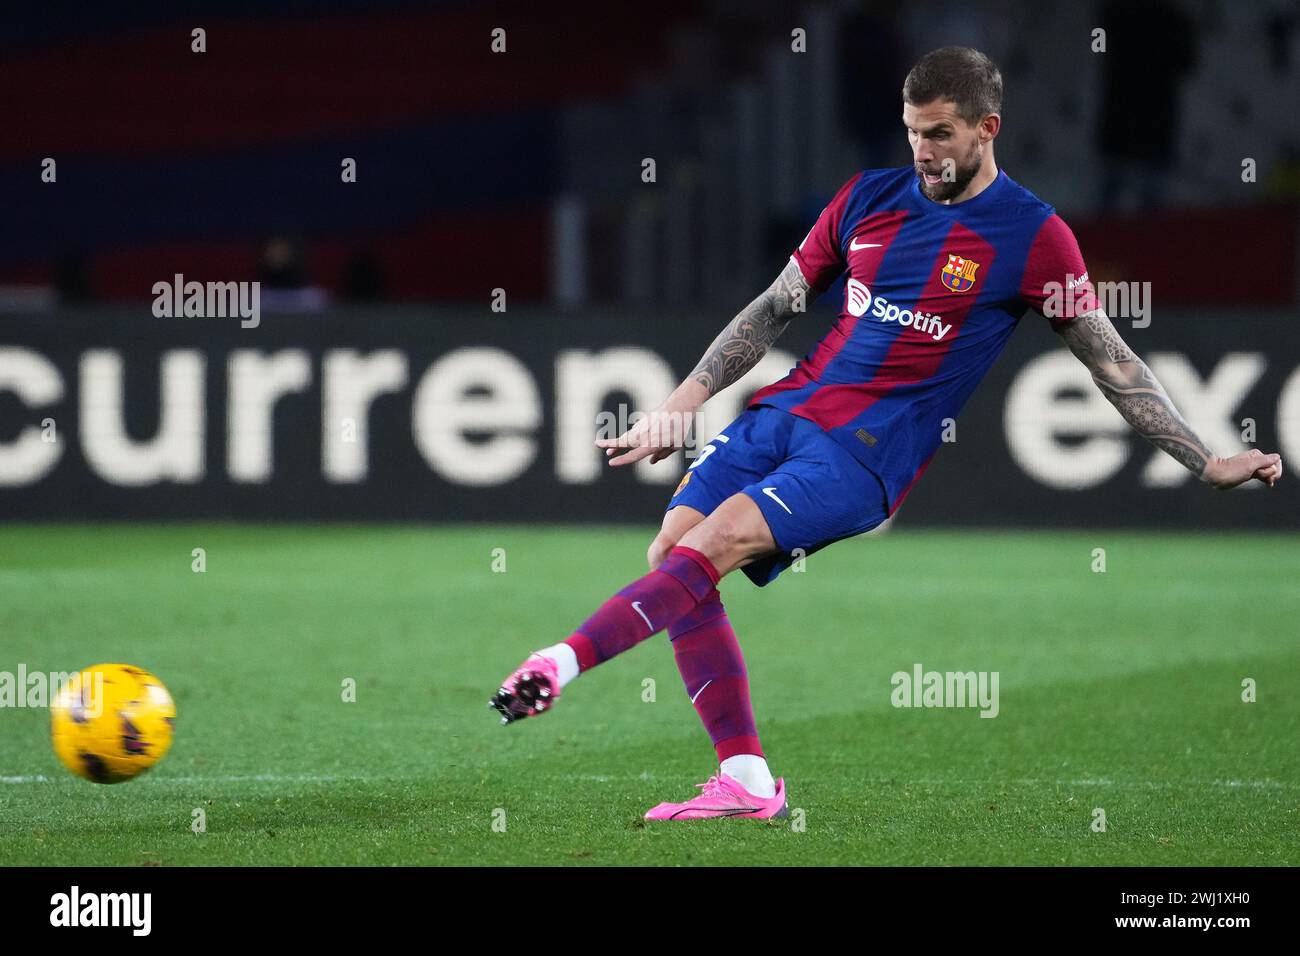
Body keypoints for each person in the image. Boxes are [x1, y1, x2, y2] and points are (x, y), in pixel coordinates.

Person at [489, 46, 1284, 821]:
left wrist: (1204, 459)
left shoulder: (1032, 235)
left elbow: (1114, 364)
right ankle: (747, 780)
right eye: (912, 130)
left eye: (940, 133)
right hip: (789, 413)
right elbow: (773, 307)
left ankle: (557, 664)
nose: (923, 150)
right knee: (671, 552)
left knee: (713, 547)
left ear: (987, 128)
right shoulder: (869, 197)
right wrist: (684, 398)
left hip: (865, 455)